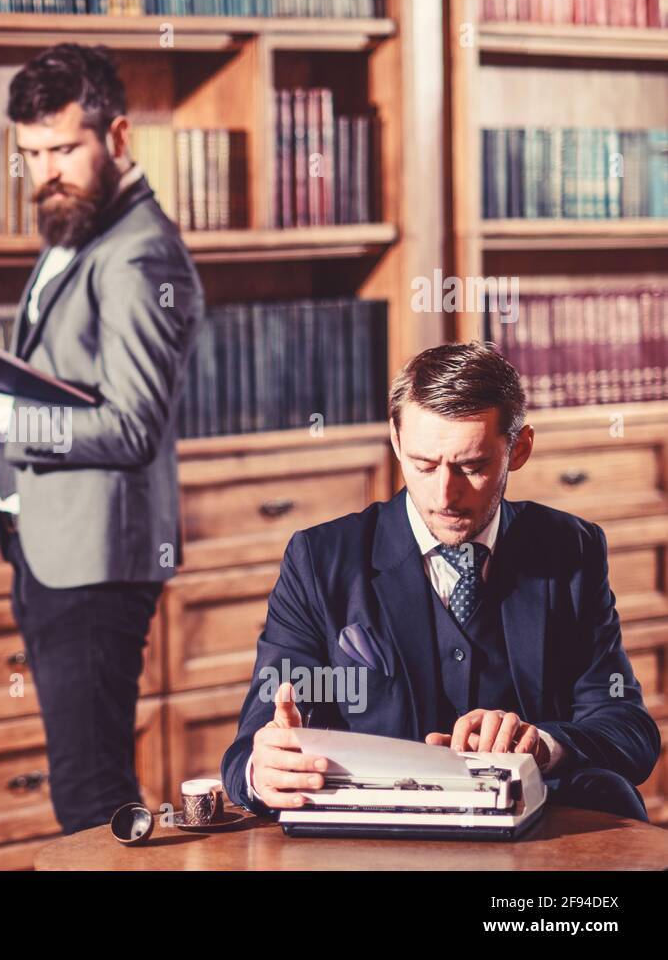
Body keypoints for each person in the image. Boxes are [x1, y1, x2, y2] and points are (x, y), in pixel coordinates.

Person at [0, 43, 204, 834]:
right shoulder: (79, 226)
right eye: (31, 153)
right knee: (89, 779)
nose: (47, 171)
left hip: (96, 561)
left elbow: (132, 426)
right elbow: (64, 379)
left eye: (65, 148)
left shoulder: (139, 253)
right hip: (45, 541)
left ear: (119, 137)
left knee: (91, 793)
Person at [221, 341, 660, 822]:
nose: (445, 495)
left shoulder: (570, 549)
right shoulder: (319, 560)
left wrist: (542, 744)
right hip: (375, 840)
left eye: (472, 467)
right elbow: (250, 750)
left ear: (520, 448)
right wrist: (262, 772)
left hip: (532, 837)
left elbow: (628, 730)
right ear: (395, 440)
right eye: (424, 465)